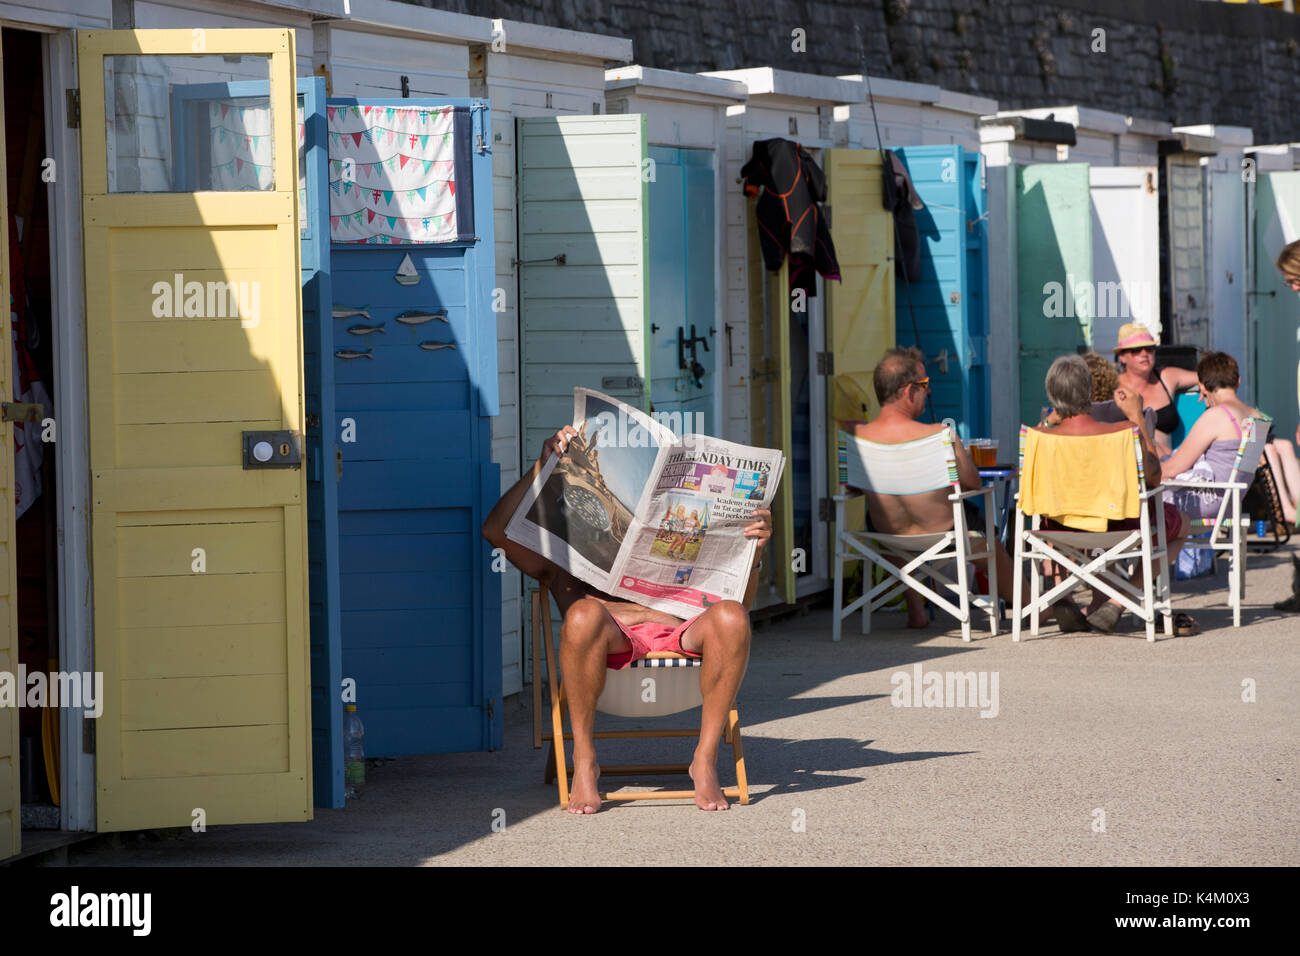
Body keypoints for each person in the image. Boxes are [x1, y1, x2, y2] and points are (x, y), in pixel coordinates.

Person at [482, 426, 770, 813]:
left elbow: (740, 604)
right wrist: (542, 466)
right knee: (582, 613)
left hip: (682, 633)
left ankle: (704, 759)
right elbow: (494, 532)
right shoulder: (562, 559)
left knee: (733, 617)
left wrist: (753, 550)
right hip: (608, 644)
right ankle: (585, 761)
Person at [852, 347, 1085, 630]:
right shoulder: (939, 435)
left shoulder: (857, 438)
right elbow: (973, 482)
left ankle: (917, 611)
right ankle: (1031, 606)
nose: (929, 392)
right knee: (986, 534)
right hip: (946, 535)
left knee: (883, 517)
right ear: (908, 390)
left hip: (887, 536)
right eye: (925, 386)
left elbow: (854, 486)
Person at [1030, 355, 1195, 634]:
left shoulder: (1037, 436)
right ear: (1092, 393)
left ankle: (1063, 595)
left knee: (1065, 514)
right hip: (1120, 525)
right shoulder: (1123, 431)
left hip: (1061, 530)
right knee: (1181, 524)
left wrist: (1050, 419)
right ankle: (1121, 599)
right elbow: (1153, 476)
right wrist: (1138, 419)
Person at [1113, 323, 1200, 457]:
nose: (1144, 354)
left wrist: (1206, 386)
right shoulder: (1113, 386)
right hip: (1129, 467)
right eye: (1136, 350)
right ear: (1122, 357)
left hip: (1167, 467)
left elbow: (1208, 377)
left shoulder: (1166, 377)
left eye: (1149, 348)